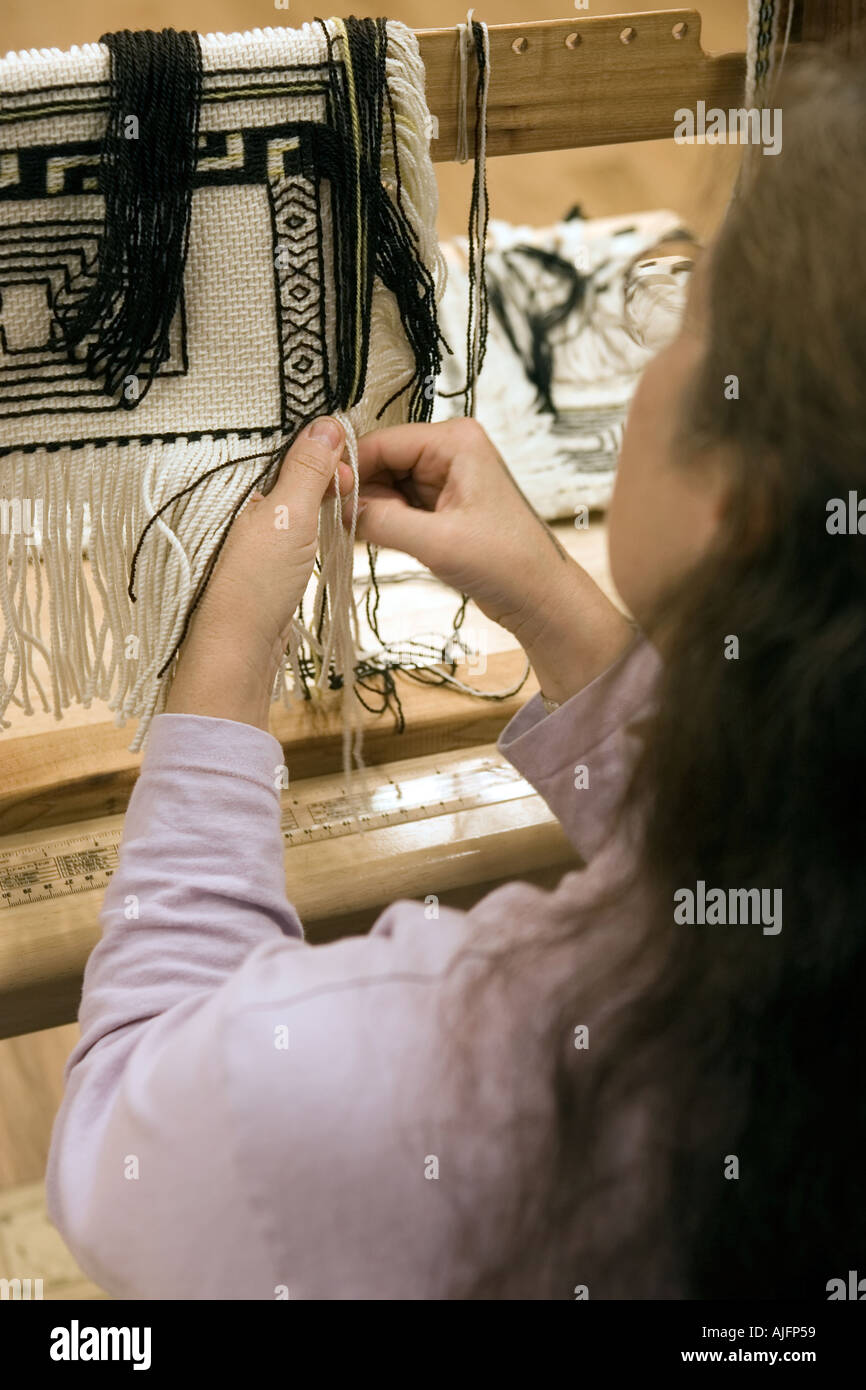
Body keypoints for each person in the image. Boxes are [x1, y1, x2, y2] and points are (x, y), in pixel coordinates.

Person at [47, 44, 865, 1299]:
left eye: (684, 317)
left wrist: (217, 676)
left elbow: (126, 1136)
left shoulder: (451, 1074)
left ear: (740, 505)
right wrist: (569, 621)